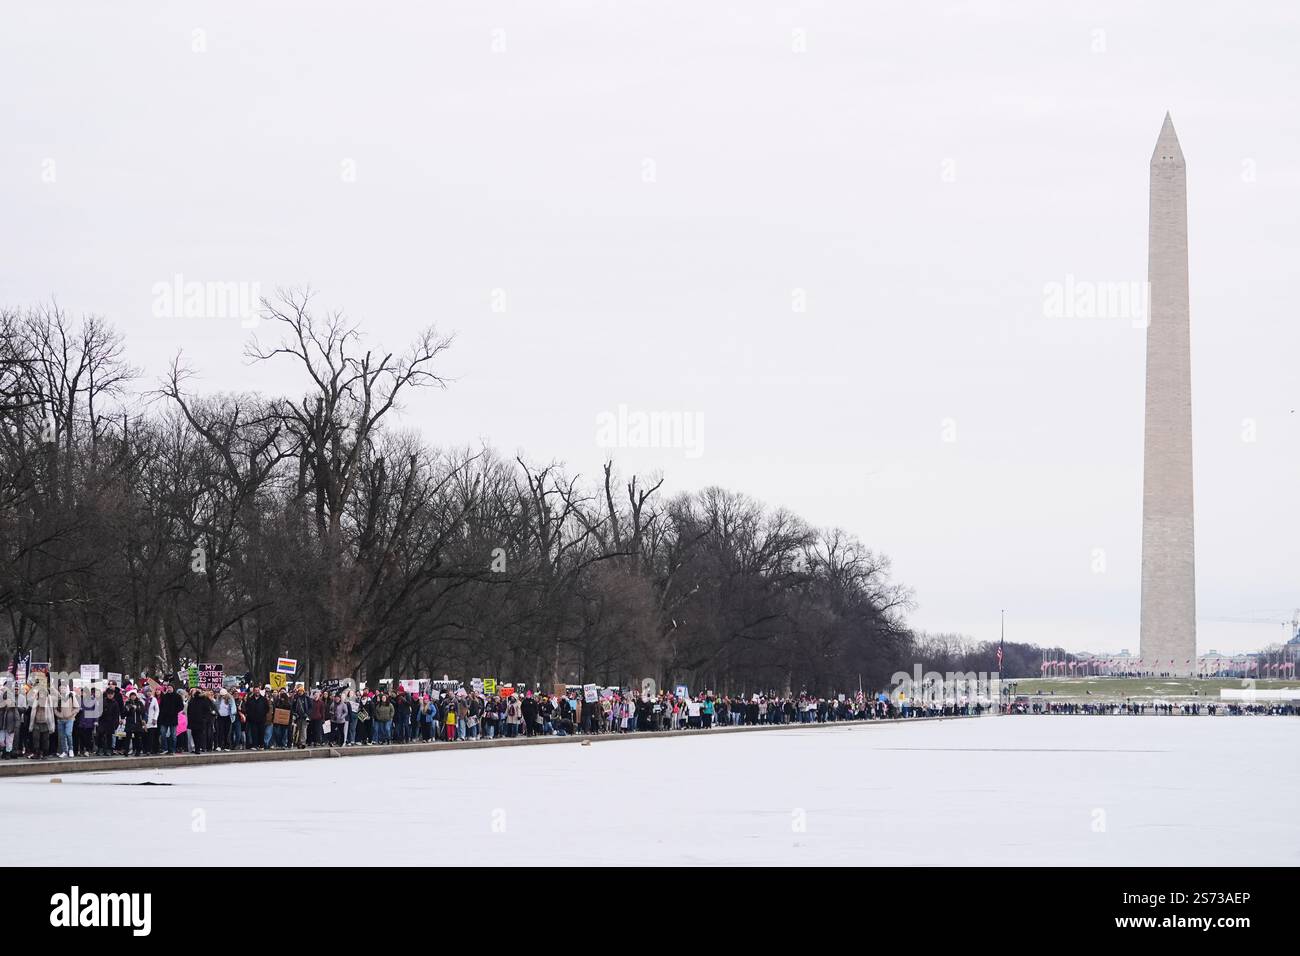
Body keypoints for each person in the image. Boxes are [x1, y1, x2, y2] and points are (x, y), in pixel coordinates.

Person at [27, 684, 55, 759]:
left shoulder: (48, 701)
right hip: (36, 722)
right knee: (36, 738)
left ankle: (45, 754)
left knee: (45, 739)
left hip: (46, 722)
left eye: (43, 693)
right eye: (40, 693)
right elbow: (29, 700)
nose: (42, 694)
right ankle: (37, 753)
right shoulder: (35, 700)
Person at [158, 684, 185, 755]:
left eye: (170, 687)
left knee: (173, 735)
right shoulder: (164, 696)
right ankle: (165, 748)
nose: (169, 689)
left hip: (173, 718)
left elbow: (181, 707)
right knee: (163, 733)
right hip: (164, 718)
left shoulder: (177, 696)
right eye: (168, 688)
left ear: (173, 688)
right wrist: (162, 714)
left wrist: (174, 711)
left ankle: (172, 749)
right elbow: (160, 707)